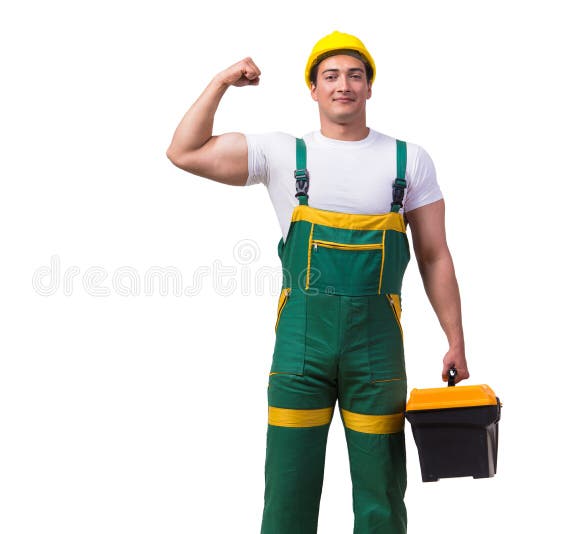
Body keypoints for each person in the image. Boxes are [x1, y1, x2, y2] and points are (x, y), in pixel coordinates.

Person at [166, 30, 469, 534]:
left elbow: (435, 255)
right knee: (288, 489)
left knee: (382, 495)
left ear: (369, 87)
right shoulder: (283, 154)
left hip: (376, 352)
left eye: (355, 75)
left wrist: (455, 338)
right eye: (330, 76)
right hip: (300, 351)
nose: (343, 86)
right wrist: (221, 81)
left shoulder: (407, 161)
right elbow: (184, 151)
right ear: (313, 88)